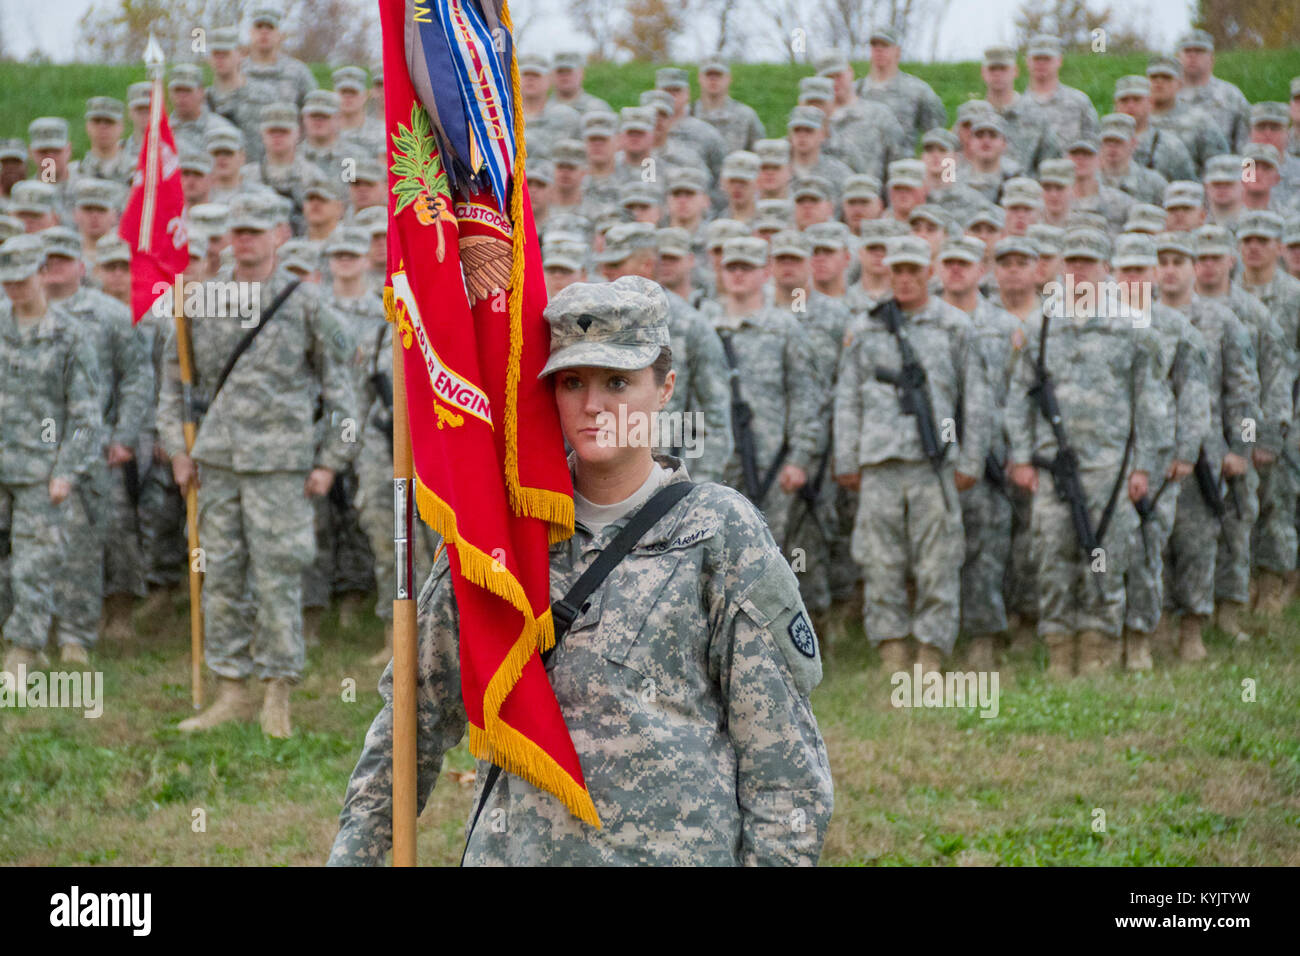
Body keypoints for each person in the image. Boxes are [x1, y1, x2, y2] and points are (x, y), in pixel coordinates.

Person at [328, 275, 833, 865]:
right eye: (573, 383)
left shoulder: (718, 532)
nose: (594, 406)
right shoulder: (500, 540)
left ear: (665, 387)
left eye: (618, 381)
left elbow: (782, 763)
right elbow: (408, 728)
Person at [156, 192, 358, 738]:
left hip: (280, 467)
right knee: (219, 573)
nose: (243, 239)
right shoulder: (199, 301)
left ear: (277, 234)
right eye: (235, 230)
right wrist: (177, 447)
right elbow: (174, 386)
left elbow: (343, 387)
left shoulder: (305, 303)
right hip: (215, 462)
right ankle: (230, 690)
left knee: (277, 576)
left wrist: (331, 461)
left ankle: (277, 692)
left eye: (254, 229)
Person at [834, 235, 990, 674]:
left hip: (934, 463)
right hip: (879, 462)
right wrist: (847, 458)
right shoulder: (865, 328)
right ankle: (892, 650)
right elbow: (848, 398)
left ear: (929, 273)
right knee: (879, 559)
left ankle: (931, 651)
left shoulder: (955, 326)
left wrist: (970, 460)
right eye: (896, 271)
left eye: (912, 271)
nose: (903, 279)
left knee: (937, 559)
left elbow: (974, 399)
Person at [0, 234, 101, 679]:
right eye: (7, 282)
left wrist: (66, 470)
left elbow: (85, 414)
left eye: (22, 280)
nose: (14, 290)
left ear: (43, 275)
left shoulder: (70, 336)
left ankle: (25, 647)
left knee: (34, 561)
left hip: (41, 468)